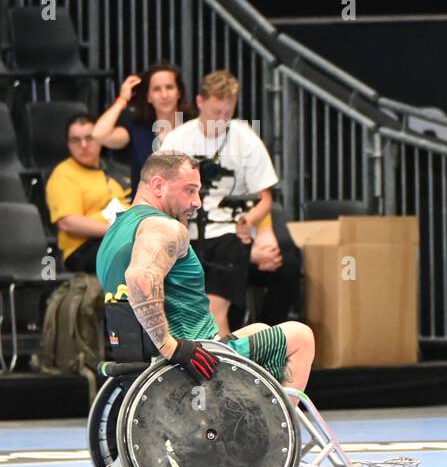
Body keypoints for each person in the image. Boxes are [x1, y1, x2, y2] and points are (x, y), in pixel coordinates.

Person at [95, 150, 315, 392]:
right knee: (301, 336)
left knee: (260, 329)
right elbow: (139, 279)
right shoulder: (164, 226)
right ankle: (275, 428)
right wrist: (170, 346)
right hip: (199, 359)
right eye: (189, 190)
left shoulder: (116, 229)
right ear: (158, 186)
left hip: (147, 355)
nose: (197, 202)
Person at [159, 70, 279, 336]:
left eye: (228, 112)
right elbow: (160, 193)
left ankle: (225, 363)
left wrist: (250, 222)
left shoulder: (245, 138)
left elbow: (265, 198)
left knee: (215, 309)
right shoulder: (177, 139)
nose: (222, 119)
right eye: (216, 112)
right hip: (185, 234)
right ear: (200, 102)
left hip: (229, 232)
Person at [91, 62, 196, 198]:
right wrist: (122, 99)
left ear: (179, 92)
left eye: (169, 87)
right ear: (148, 97)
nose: (164, 95)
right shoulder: (137, 130)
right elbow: (98, 135)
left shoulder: (193, 127)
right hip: (146, 213)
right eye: (157, 89)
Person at [45, 113, 131, 274]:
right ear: (68, 144)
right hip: (84, 248)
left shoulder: (117, 170)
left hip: (121, 238)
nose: (83, 145)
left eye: (89, 138)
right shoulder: (64, 175)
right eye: (76, 140)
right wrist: (115, 230)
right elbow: (68, 222)